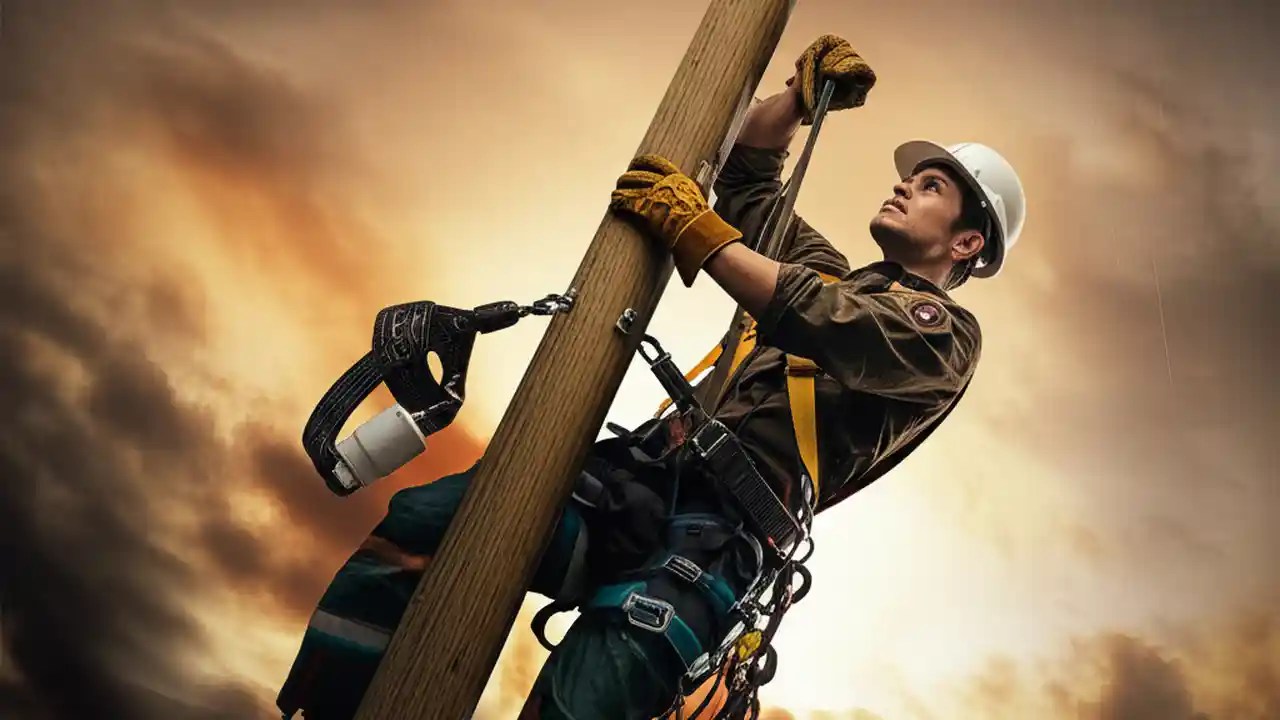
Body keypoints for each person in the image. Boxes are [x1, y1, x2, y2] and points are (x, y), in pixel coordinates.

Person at [275, 34, 1026, 720]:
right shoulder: (832, 270)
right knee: (427, 522)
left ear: (966, 242)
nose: (902, 188)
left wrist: (695, 232)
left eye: (930, 187)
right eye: (912, 178)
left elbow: (818, 314)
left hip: (717, 541)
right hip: (638, 482)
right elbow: (748, 179)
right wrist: (797, 97)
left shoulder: (946, 340)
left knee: (580, 708)